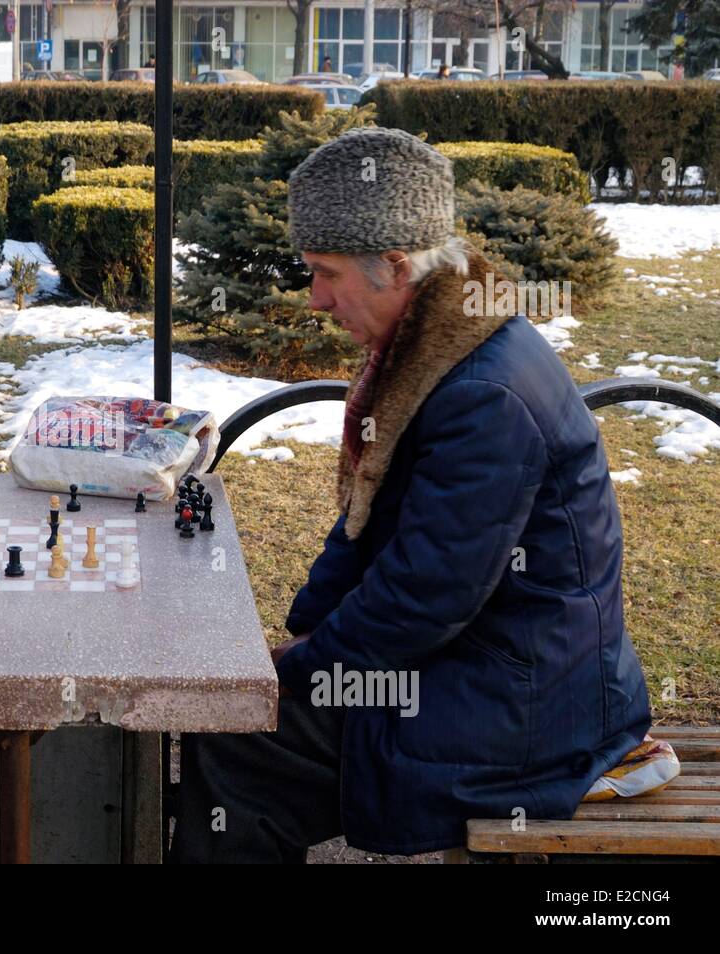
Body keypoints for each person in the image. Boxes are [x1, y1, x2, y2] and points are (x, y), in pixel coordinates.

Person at [170, 128, 650, 862]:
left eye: (326, 273)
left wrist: (294, 674)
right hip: (495, 669)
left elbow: (423, 597)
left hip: (524, 710)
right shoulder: (439, 347)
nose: (316, 300)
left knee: (245, 745)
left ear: (395, 266)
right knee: (248, 722)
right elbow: (365, 531)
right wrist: (300, 641)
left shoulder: (483, 393)